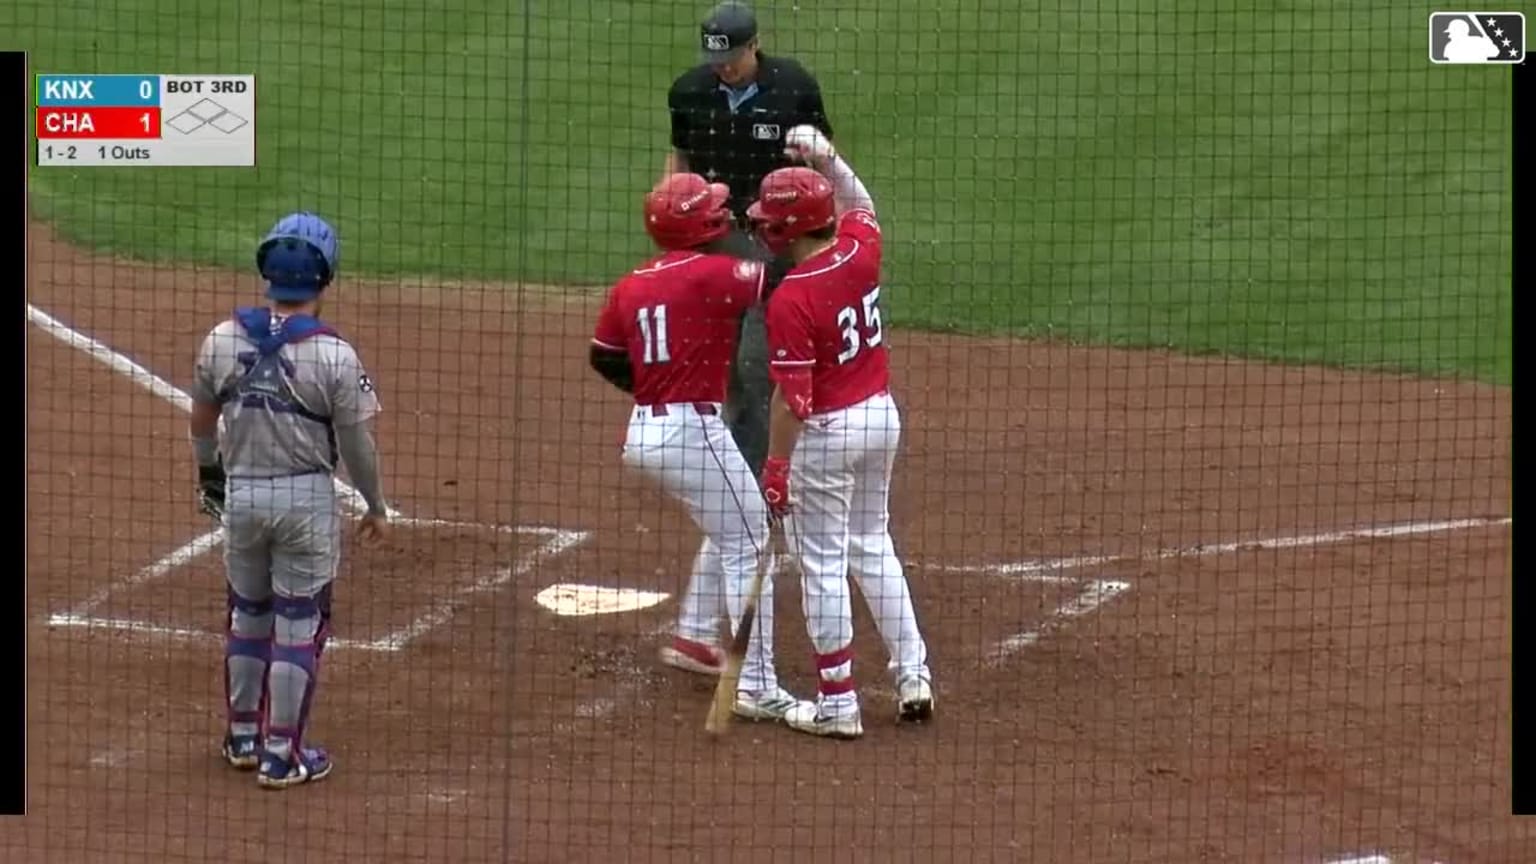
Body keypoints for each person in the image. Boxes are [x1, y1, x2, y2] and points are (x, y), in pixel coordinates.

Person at [589, 173, 801, 723]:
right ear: (699, 222)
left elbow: (604, 355)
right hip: (691, 433)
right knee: (753, 543)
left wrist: (655, 387)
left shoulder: (632, 282)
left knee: (730, 523)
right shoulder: (714, 273)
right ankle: (756, 684)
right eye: (713, 210)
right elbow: (777, 278)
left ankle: (694, 636)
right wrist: (780, 230)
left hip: (646, 432)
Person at [188, 211, 388, 788]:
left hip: (243, 498)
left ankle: (243, 737)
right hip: (305, 504)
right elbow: (357, 443)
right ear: (325, 277)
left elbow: (202, 420)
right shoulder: (335, 356)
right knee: (299, 625)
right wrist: (375, 504)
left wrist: (210, 477)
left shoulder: (221, 339)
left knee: (248, 616)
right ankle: (282, 756)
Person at [747, 128, 934, 740]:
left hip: (827, 434)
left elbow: (791, 400)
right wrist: (828, 157)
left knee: (822, 564)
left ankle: (837, 704)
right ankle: (914, 675)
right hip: (881, 417)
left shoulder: (791, 298)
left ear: (784, 231)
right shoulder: (860, 249)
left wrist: (775, 470)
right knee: (872, 545)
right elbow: (863, 204)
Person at [664, 0, 835, 477]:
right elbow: (680, 156)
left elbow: (823, 161)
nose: (722, 66)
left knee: (759, 358)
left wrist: (821, 238)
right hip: (717, 241)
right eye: (714, 56)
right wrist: (672, 214)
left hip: (780, 244)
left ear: (755, 45)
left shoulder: (794, 87)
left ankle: (759, 466)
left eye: (732, 55)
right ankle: (733, 432)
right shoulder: (690, 92)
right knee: (718, 353)